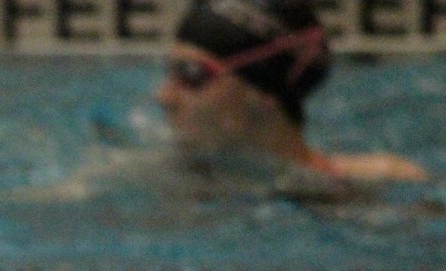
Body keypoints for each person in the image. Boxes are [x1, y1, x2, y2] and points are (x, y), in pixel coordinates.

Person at [158, 0, 427, 182]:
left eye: (191, 74)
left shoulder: (381, 183)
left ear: (264, 92)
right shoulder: (163, 180)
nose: (164, 96)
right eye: (170, 72)